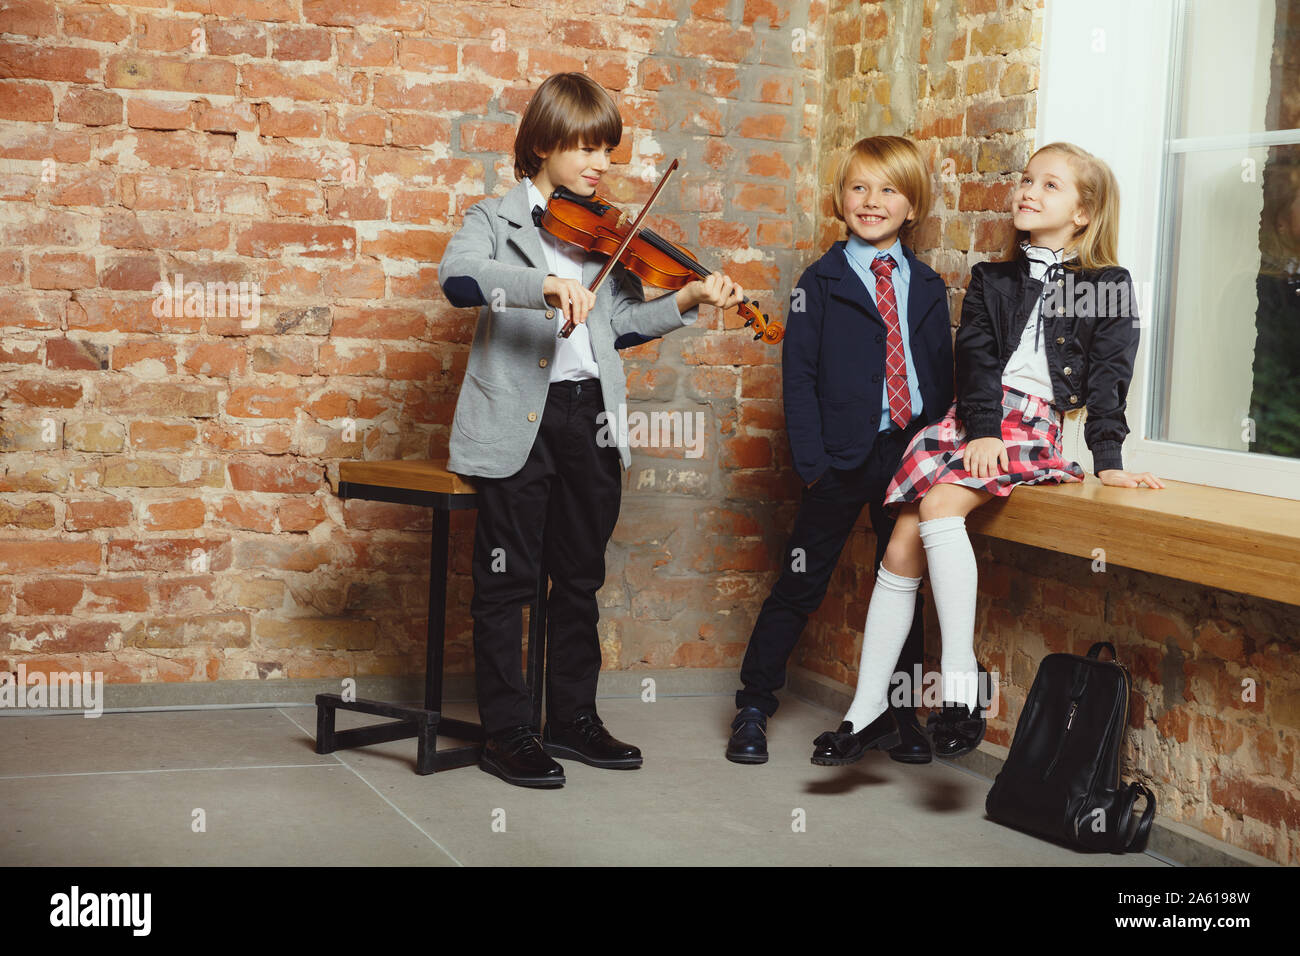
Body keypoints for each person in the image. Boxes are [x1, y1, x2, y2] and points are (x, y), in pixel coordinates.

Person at [810, 142, 1164, 766]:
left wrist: (1108, 460)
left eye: (1050, 186)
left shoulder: (1103, 285)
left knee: (940, 504)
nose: (1028, 191)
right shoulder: (993, 280)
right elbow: (973, 360)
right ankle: (864, 712)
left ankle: (958, 687)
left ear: (1084, 213)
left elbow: (1111, 375)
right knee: (900, 539)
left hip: (1032, 425)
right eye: (1027, 180)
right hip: (973, 422)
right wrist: (979, 430)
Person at [438, 72, 742, 789]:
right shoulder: (495, 219)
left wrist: (687, 298)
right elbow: (457, 280)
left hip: (590, 418)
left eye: (608, 150)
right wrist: (540, 285)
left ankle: (572, 719)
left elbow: (622, 327)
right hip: (519, 419)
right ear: (543, 143)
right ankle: (507, 730)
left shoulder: (605, 236)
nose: (601, 164)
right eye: (586, 149)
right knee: (505, 581)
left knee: (578, 576)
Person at [726, 136, 953, 766]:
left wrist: (936, 455)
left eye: (888, 190)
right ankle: (753, 705)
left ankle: (899, 715)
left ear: (913, 206)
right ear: (839, 198)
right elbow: (796, 378)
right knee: (801, 582)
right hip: (839, 460)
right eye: (859, 187)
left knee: (902, 584)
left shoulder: (928, 285)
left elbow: (940, 377)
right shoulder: (819, 283)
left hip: (910, 460)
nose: (871, 201)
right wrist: (813, 464)